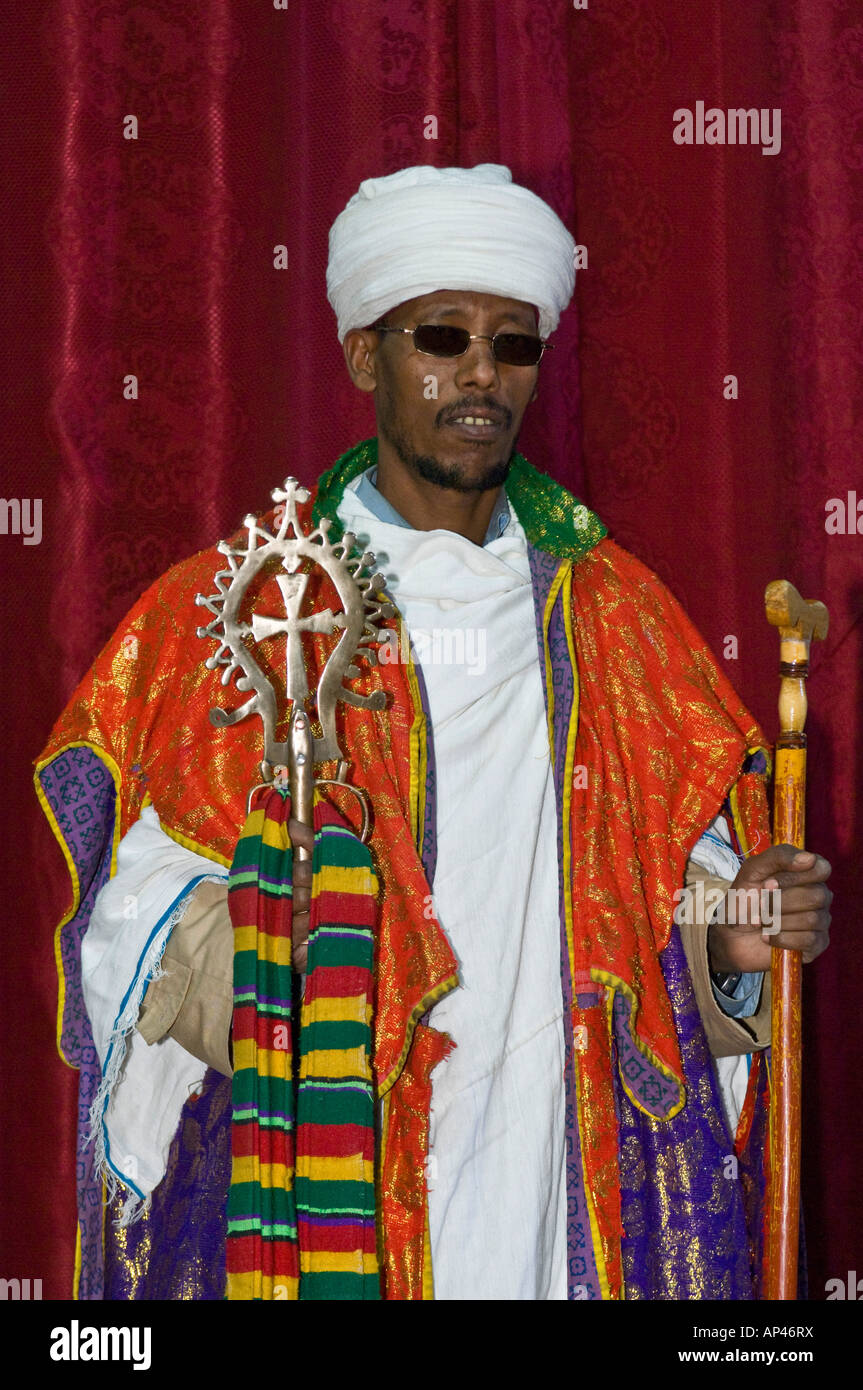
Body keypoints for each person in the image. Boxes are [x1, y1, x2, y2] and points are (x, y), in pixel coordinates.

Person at [36, 164, 831, 1301]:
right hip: (320, 1179)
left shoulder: (613, 616)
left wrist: (733, 938)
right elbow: (129, 915)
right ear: (367, 355)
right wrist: (271, 955)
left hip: (557, 1181)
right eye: (442, 336)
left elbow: (656, 914)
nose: (478, 377)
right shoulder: (255, 604)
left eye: (512, 347)